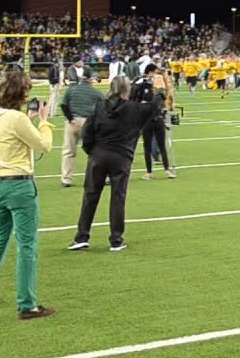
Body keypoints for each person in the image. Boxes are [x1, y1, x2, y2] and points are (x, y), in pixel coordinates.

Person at [0, 70, 56, 320]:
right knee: (27, 245)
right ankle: (27, 304)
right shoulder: (17, 119)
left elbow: (12, 136)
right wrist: (44, 121)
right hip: (19, 185)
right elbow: (44, 145)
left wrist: (27, 119)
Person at [68, 76, 156, 251]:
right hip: (121, 157)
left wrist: (92, 151)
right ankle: (116, 240)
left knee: (90, 197)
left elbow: (87, 131)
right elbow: (153, 107)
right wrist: (150, 91)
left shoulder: (100, 105)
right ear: (127, 89)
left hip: (98, 154)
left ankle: (81, 237)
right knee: (118, 198)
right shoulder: (134, 108)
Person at [59, 72, 104, 187]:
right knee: (96, 151)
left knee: (69, 152)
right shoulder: (96, 93)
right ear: (90, 79)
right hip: (88, 123)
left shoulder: (71, 90)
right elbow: (103, 108)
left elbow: (63, 105)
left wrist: (71, 119)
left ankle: (66, 179)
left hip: (72, 122)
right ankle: (100, 176)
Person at [141, 64, 177, 179]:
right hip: (158, 119)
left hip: (147, 120)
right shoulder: (159, 88)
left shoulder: (143, 84)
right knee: (162, 146)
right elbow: (168, 94)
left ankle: (149, 172)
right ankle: (166, 170)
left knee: (147, 147)